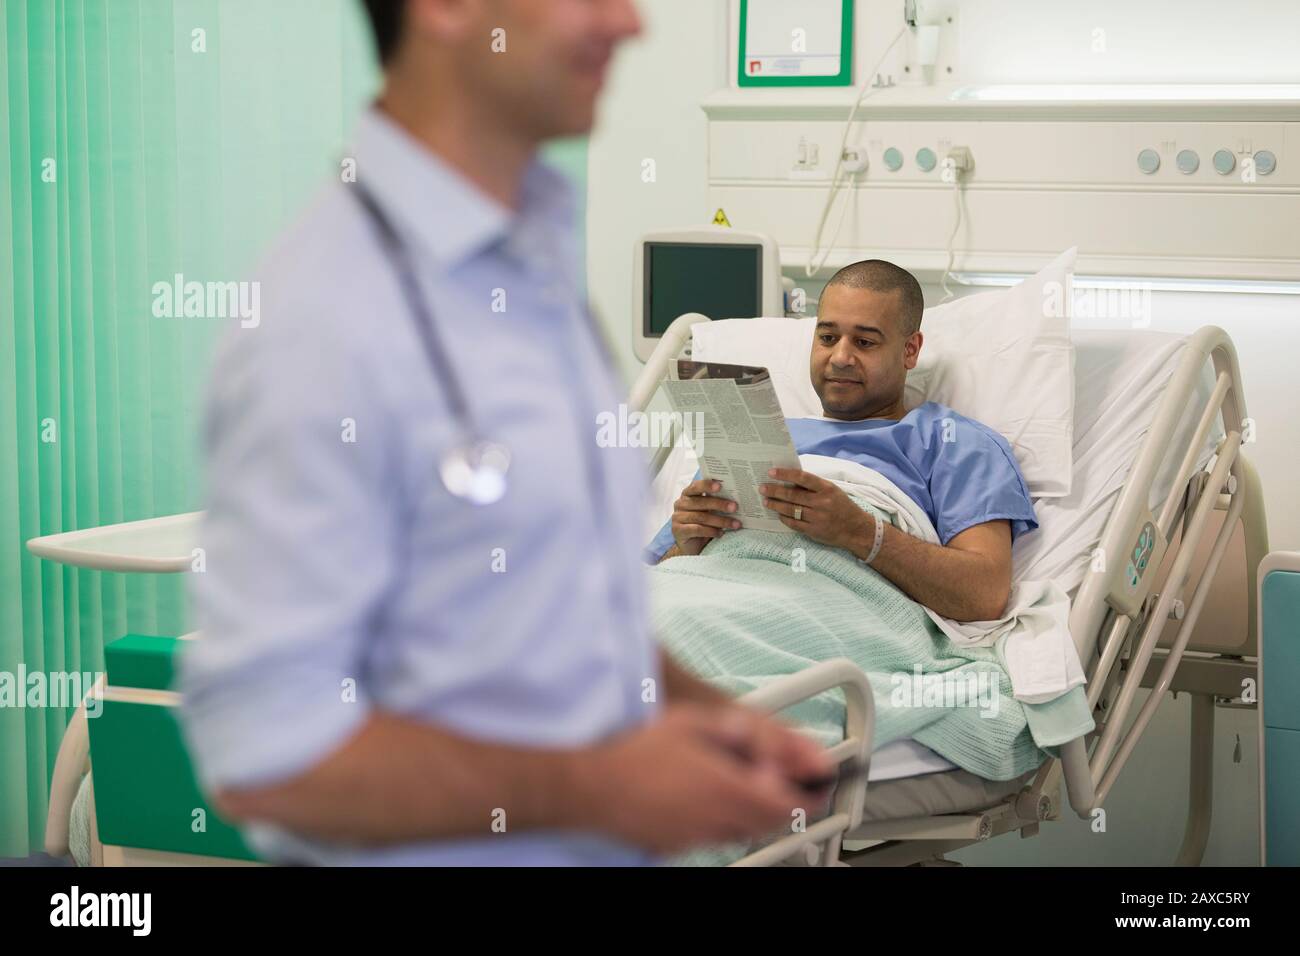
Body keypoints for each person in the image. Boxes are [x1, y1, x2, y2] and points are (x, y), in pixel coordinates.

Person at [178, 0, 828, 866]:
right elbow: (267, 752)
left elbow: (557, 607)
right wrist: (603, 788)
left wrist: (706, 715)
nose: (629, 24)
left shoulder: (532, 270)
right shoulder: (327, 318)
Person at [648, 260, 1039, 624]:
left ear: (910, 350)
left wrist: (858, 531)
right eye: (828, 337)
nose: (840, 357)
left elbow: (984, 596)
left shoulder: (955, 442)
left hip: (821, 618)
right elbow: (652, 579)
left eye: (865, 342)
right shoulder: (746, 439)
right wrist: (687, 544)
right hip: (702, 596)